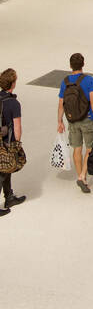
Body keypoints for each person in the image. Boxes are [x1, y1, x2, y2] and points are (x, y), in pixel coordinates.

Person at [0, 68, 25, 214]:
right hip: (8, 142)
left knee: (6, 168)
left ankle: (9, 196)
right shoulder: (14, 104)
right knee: (2, 171)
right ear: (13, 83)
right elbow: (17, 127)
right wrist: (17, 144)